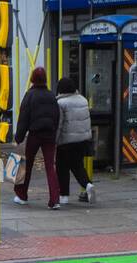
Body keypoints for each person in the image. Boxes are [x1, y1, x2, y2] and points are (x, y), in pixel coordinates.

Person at [13, 67, 60, 209]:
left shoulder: (30, 95)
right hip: (49, 135)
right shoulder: (51, 95)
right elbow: (56, 116)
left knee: (27, 164)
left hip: (35, 134)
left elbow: (23, 118)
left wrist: (19, 137)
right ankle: (54, 199)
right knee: (50, 166)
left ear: (32, 78)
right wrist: (53, 131)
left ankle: (22, 195)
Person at [54, 76, 93, 206]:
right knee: (77, 166)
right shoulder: (83, 100)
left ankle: (64, 196)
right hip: (82, 140)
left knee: (62, 168)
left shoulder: (61, 103)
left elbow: (59, 124)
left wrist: (55, 140)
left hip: (66, 141)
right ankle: (87, 185)